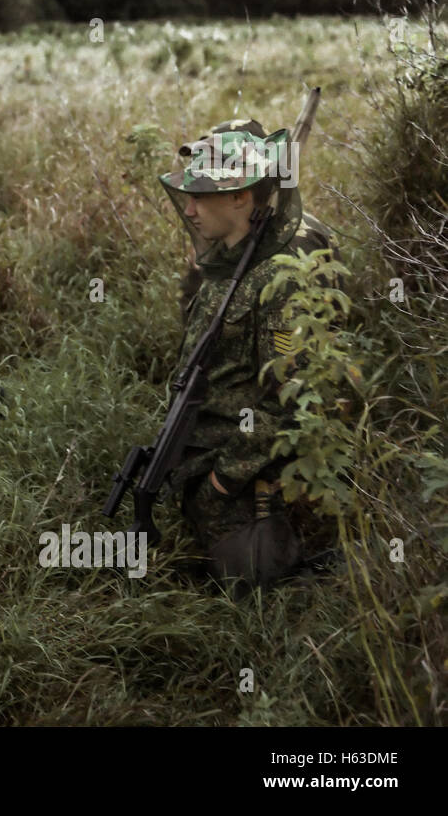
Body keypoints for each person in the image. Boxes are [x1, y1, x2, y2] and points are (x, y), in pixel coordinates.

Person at [158, 116, 341, 593]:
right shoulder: (228, 251)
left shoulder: (286, 271)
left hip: (246, 461)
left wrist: (223, 481)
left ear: (241, 196)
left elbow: (292, 399)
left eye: (201, 195)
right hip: (207, 439)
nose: (190, 209)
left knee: (249, 582)